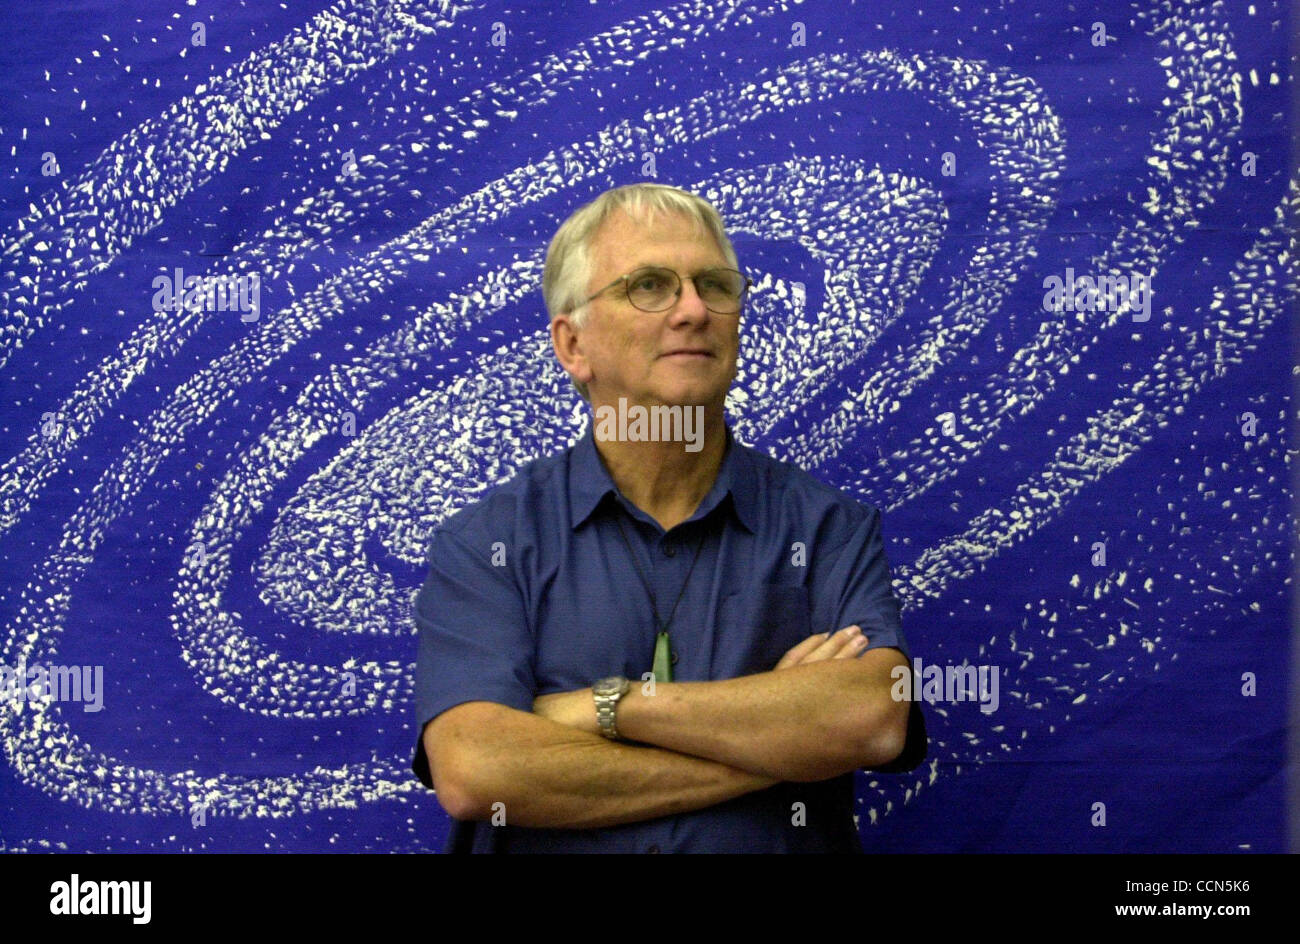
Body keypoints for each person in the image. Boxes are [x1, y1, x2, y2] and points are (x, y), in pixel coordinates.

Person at [411, 183, 926, 852]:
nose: (693, 309)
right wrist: (779, 740)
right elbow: (481, 769)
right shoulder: (488, 543)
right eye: (650, 286)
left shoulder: (827, 529)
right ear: (573, 346)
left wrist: (605, 707)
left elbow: (871, 717)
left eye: (715, 284)